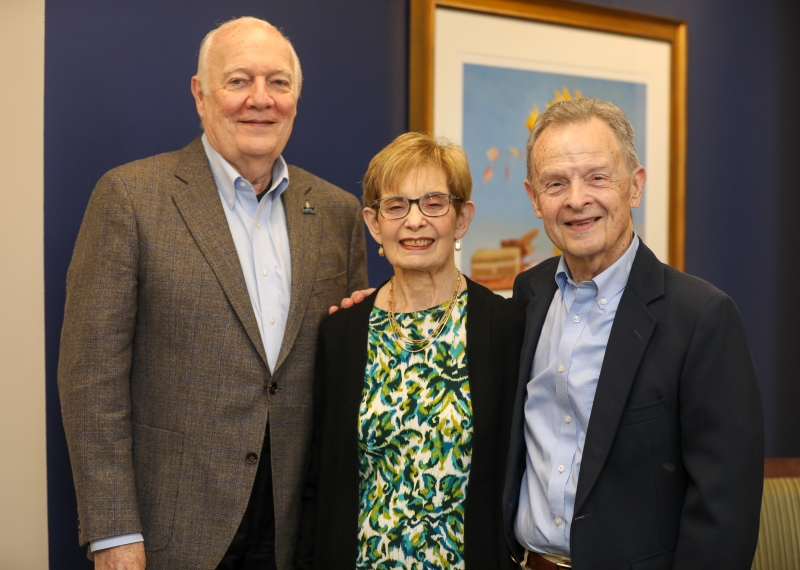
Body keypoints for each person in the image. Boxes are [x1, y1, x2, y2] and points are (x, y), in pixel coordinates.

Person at [58, 17, 367, 570]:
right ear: (201, 95)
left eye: (278, 82)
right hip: (171, 530)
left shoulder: (339, 213)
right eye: (238, 81)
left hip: (299, 531)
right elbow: (90, 381)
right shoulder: (131, 197)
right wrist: (112, 533)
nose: (260, 100)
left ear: (296, 97)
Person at [503, 98, 764, 569]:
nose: (576, 199)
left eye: (598, 177)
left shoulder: (701, 317)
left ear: (635, 185)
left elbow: (724, 511)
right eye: (556, 183)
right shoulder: (529, 294)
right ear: (534, 197)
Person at [295, 132, 525, 569]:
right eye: (396, 206)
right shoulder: (342, 333)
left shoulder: (507, 328)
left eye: (434, 202)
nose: (414, 221)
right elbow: (319, 482)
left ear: (462, 219)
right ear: (374, 222)